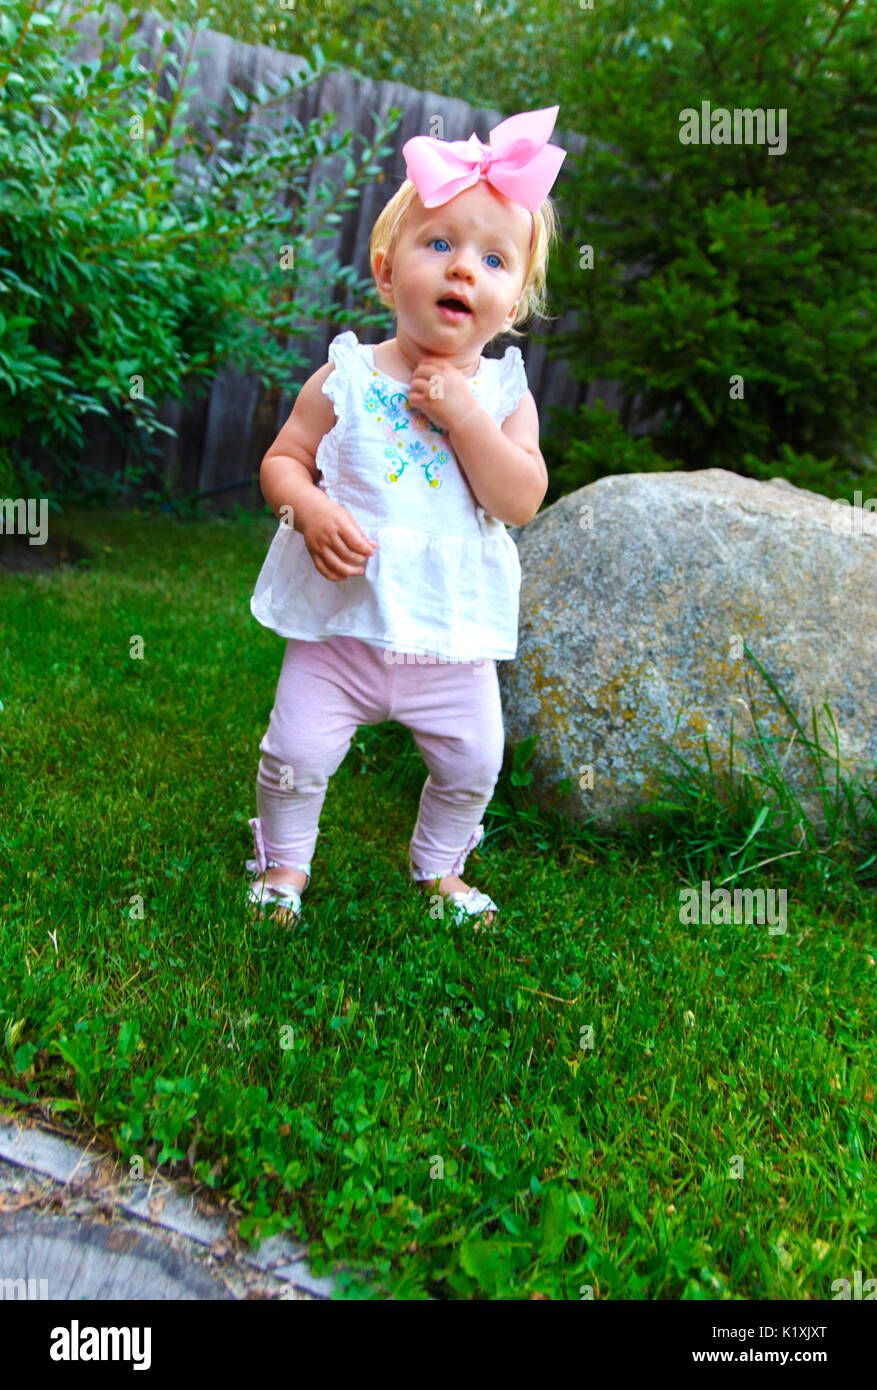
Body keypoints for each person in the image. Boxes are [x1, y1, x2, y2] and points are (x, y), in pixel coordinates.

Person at [246, 106, 566, 931]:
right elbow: (282, 460)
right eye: (440, 245)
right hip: (339, 627)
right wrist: (308, 506)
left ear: (513, 302)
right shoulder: (346, 376)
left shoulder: (501, 395)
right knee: (294, 755)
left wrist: (463, 417)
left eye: (493, 258)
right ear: (388, 275)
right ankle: (282, 864)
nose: (464, 269)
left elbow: (518, 500)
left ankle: (440, 867)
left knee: (472, 762)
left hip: (447, 637)